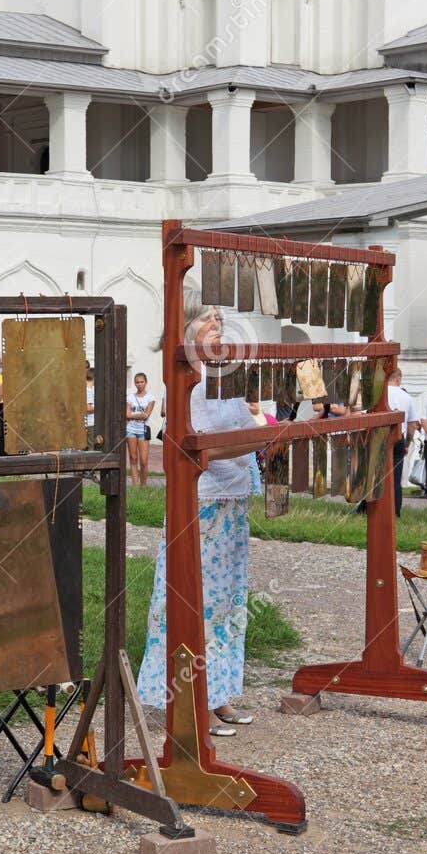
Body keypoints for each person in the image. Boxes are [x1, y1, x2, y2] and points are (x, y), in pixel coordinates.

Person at [136, 293, 255, 737]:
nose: (218, 324)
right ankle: (186, 701)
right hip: (200, 500)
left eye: (220, 318)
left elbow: (244, 421)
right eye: (209, 319)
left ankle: (218, 692)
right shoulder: (185, 377)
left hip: (232, 498)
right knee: (191, 601)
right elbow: (199, 441)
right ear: (188, 327)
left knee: (226, 604)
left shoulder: (225, 372)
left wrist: (261, 438)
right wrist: (254, 443)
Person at [385, 367, 419, 516]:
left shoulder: (380, 393)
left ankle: (369, 508)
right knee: (395, 478)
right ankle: (395, 511)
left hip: (380, 437)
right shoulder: (407, 397)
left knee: (376, 475)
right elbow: (412, 425)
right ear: (398, 379)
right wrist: (407, 444)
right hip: (399, 437)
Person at [126, 372, 156, 488]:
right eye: (137, 382)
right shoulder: (130, 397)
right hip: (130, 429)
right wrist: (138, 415)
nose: (139, 384)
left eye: (141, 382)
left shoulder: (150, 397)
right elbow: (126, 414)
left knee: (143, 460)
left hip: (143, 430)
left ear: (146, 382)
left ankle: (143, 486)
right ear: (134, 383)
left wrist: (132, 415)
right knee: (133, 458)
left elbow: (146, 415)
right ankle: (135, 486)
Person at [84, 365, 96, 448]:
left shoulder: (92, 389)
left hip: (91, 422)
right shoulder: (88, 390)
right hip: (89, 423)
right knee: (90, 447)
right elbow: (88, 408)